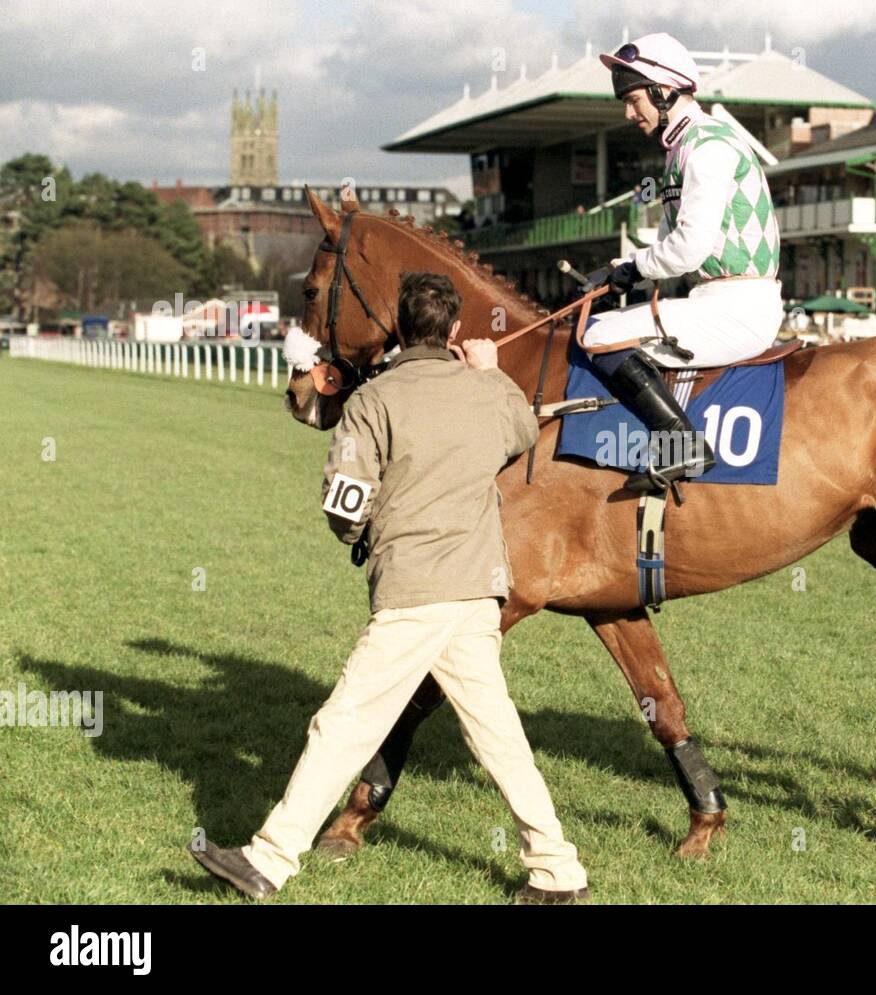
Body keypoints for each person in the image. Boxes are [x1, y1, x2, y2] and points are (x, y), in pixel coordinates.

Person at [189, 273, 590, 904]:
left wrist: (360, 528)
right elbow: (520, 434)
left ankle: (269, 860)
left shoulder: (374, 400)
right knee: (498, 738)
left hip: (416, 591)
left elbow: (345, 504)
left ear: (398, 328)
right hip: (480, 587)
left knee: (342, 723)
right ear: (455, 331)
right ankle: (558, 871)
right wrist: (489, 370)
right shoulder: (486, 390)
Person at [582, 32, 785, 490]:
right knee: (611, 321)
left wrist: (631, 270)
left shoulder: (707, 147)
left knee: (603, 335)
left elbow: (688, 248)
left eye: (634, 100)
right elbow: (669, 246)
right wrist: (616, 272)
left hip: (738, 306)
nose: (628, 113)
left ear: (663, 90)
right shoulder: (683, 148)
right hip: (718, 297)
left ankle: (684, 445)